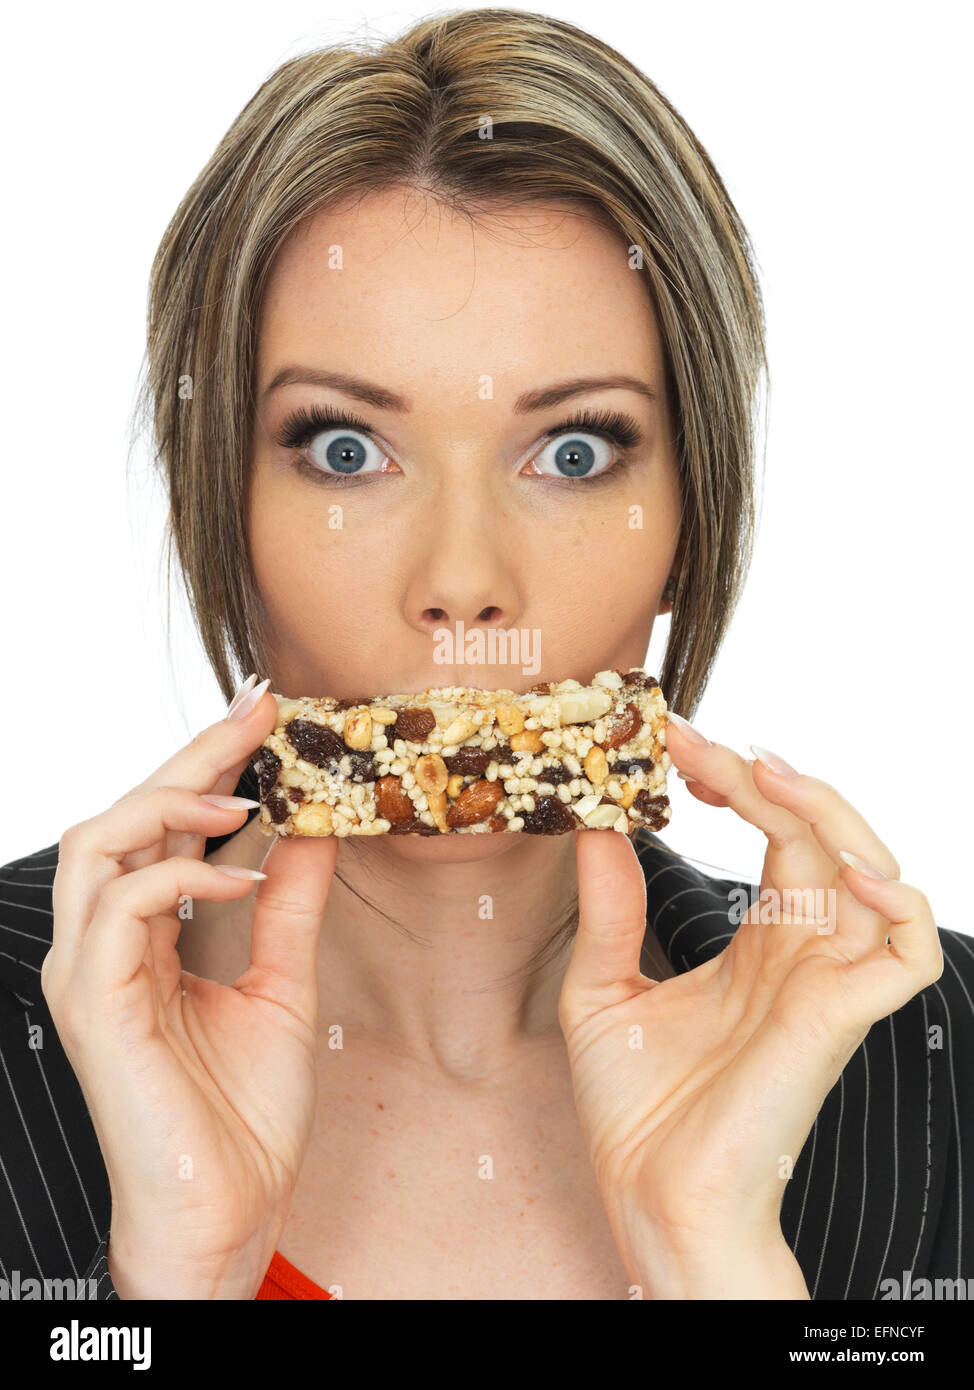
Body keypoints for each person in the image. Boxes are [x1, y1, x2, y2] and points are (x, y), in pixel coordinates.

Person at [1, 8, 970, 1301]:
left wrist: (713, 1257)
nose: (462, 583)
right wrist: (170, 1284)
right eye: (345, 449)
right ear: (219, 504)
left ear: (691, 515)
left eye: (573, 452)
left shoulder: (934, 1059)